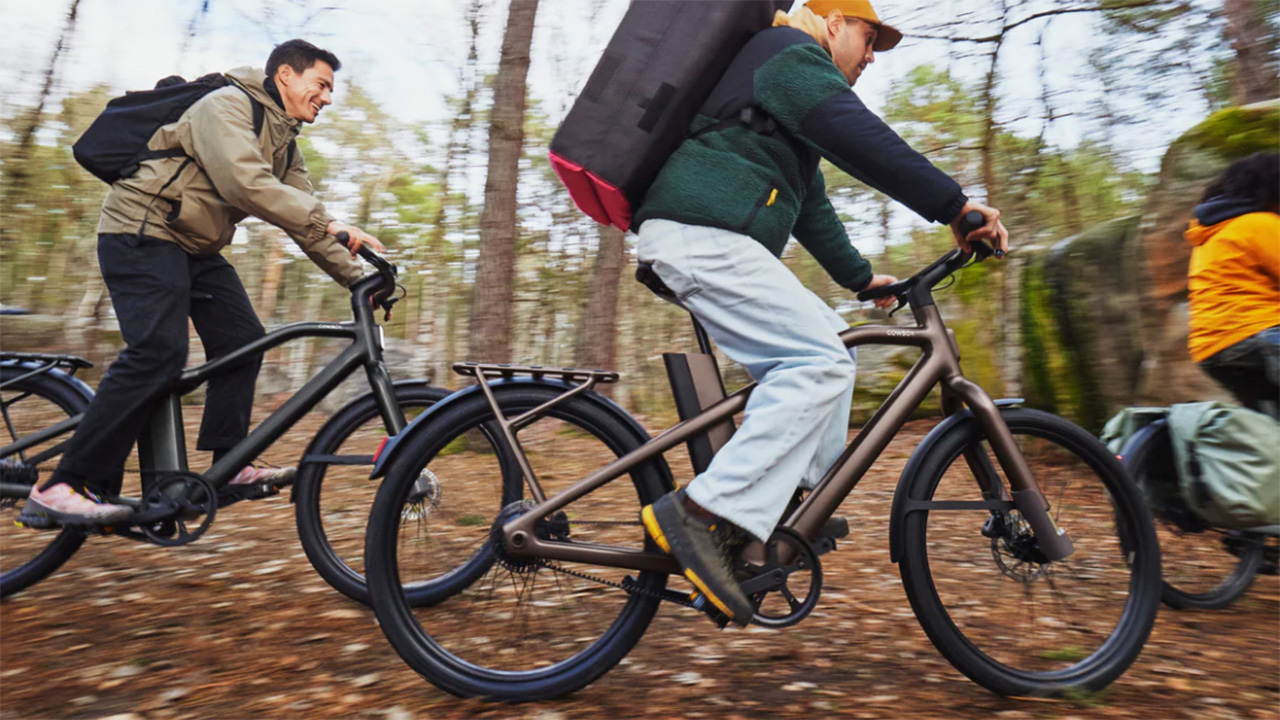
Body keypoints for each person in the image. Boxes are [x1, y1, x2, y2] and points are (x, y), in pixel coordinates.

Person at [634, 0, 1008, 625]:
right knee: (818, 363)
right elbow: (857, 134)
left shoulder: (785, 96)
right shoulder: (786, 56)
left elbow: (810, 207)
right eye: (868, 38)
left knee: (834, 341)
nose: (869, 56)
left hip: (713, 239)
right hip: (701, 235)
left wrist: (861, 280)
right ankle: (701, 516)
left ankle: (784, 507)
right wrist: (953, 205)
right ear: (833, 22)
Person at [26, 39, 385, 525]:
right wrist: (331, 226)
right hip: (143, 230)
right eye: (321, 84)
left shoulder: (284, 143)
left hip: (194, 246)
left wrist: (357, 278)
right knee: (158, 353)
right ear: (285, 75)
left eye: (330, 89)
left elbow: (305, 219)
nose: (327, 97)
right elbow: (246, 183)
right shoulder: (226, 106)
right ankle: (66, 483)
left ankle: (229, 462)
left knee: (243, 340)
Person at [1185, 151, 1280, 420]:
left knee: (1270, 432)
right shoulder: (1258, 224)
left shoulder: (1215, 232)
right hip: (1260, 335)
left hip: (1213, 350)